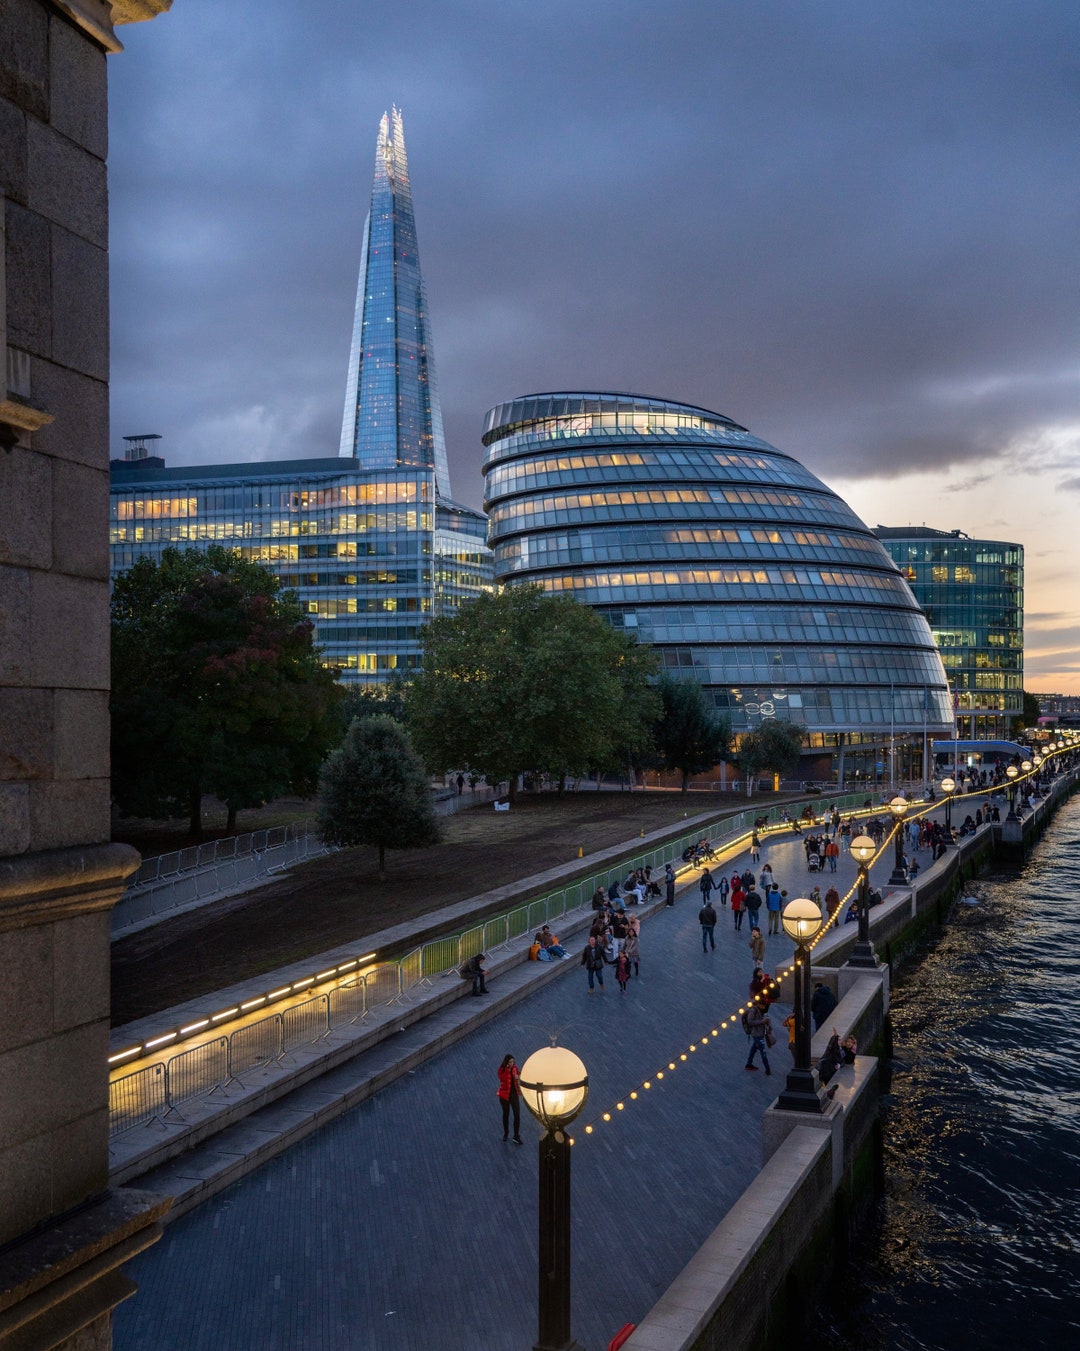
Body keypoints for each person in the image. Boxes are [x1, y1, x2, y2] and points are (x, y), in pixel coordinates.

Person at [497, 1054, 523, 1144]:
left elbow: (518, 1074)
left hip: (514, 1095)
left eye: (513, 1062)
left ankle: (516, 1136)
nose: (512, 1063)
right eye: (510, 1062)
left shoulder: (515, 1068)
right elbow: (502, 1078)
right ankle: (506, 1133)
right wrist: (507, 1070)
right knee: (506, 1114)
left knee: (517, 1115)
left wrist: (518, 1076)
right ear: (506, 1062)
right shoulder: (502, 1070)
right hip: (504, 1096)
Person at [744, 1003, 772, 1075]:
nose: (764, 1007)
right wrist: (762, 1022)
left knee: (754, 1049)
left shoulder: (762, 1011)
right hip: (756, 1034)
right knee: (763, 1052)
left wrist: (767, 1022)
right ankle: (767, 1069)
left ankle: (749, 1064)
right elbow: (750, 1022)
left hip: (760, 1033)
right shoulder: (753, 1010)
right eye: (763, 1005)